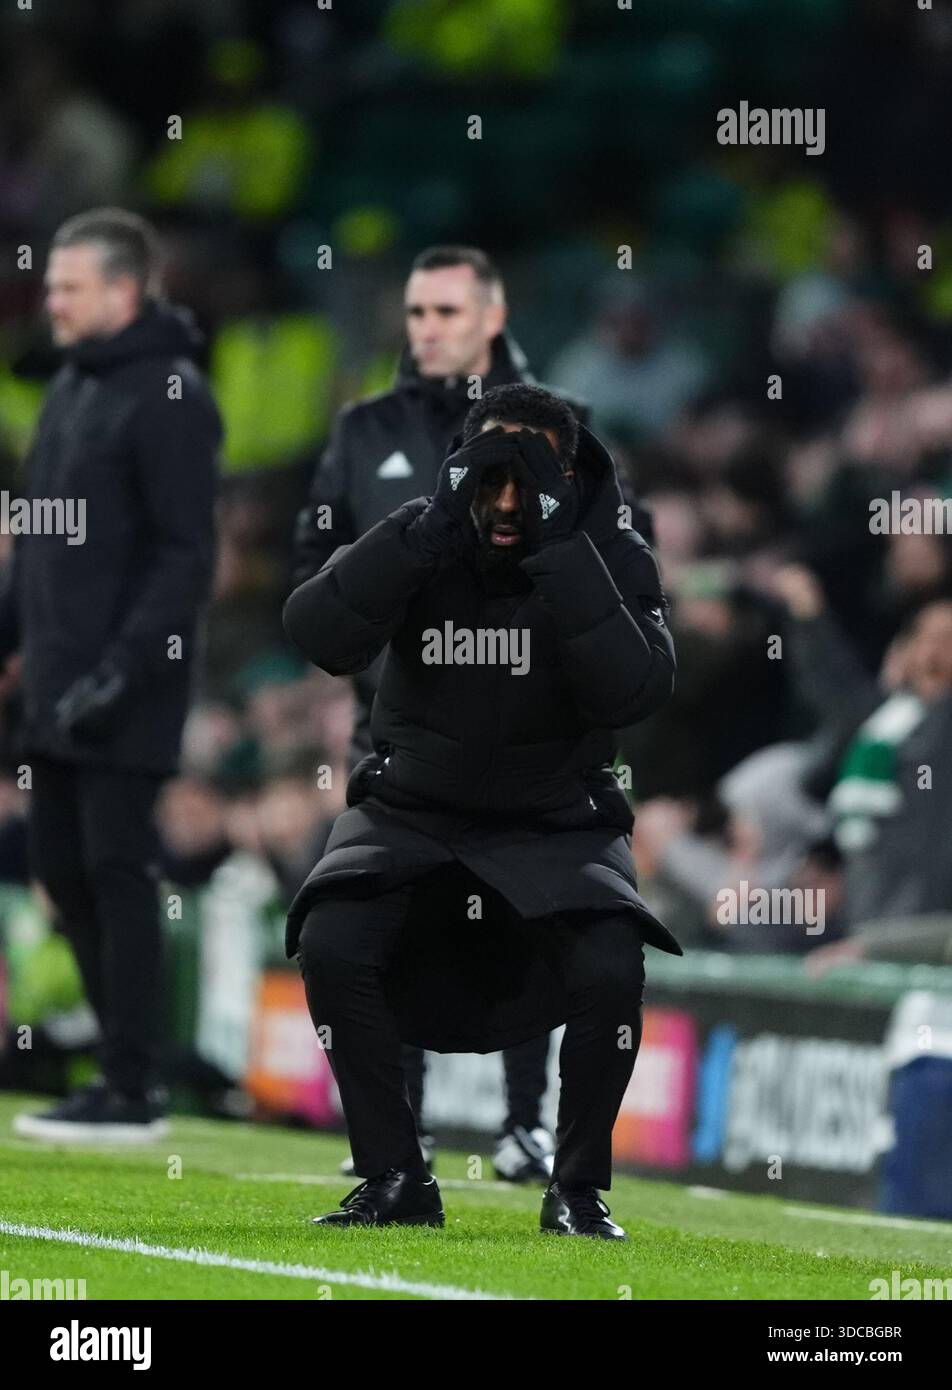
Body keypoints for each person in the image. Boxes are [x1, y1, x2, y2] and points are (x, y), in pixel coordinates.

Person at [283, 382, 679, 1237]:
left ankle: (576, 1190)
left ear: (567, 472)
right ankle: (395, 1175)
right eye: (491, 471)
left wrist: (561, 547)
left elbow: (637, 687)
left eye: (528, 475)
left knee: (613, 960)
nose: (506, 500)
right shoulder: (427, 534)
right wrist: (426, 527)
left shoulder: (612, 550)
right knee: (331, 938)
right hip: (414, 812)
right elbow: (318, 633)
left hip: (556, 819)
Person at [292, 246, 604, 1182]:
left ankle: (524, 1125)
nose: (427, 329)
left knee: (530, 905)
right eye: (417, 312)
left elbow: (619, 568)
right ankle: (402, 1130)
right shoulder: (364, 428)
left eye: (447, 312)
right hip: (392, 718)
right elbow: (318, 562)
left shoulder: (569, 430)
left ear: (494, 315)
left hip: (527, 720)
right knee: (387, 913)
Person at [3, 208, 221, 1141]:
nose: (50, 300)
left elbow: (184, 554)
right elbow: (37, 546)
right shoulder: (71, 388)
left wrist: (126, 669)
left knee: (115, 868)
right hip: (52, 682)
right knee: (62, 872)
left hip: (126, 685)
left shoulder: (171, 393)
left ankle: (134, 1083)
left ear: (124, 292)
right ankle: (116, 1070)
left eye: (69, 287)